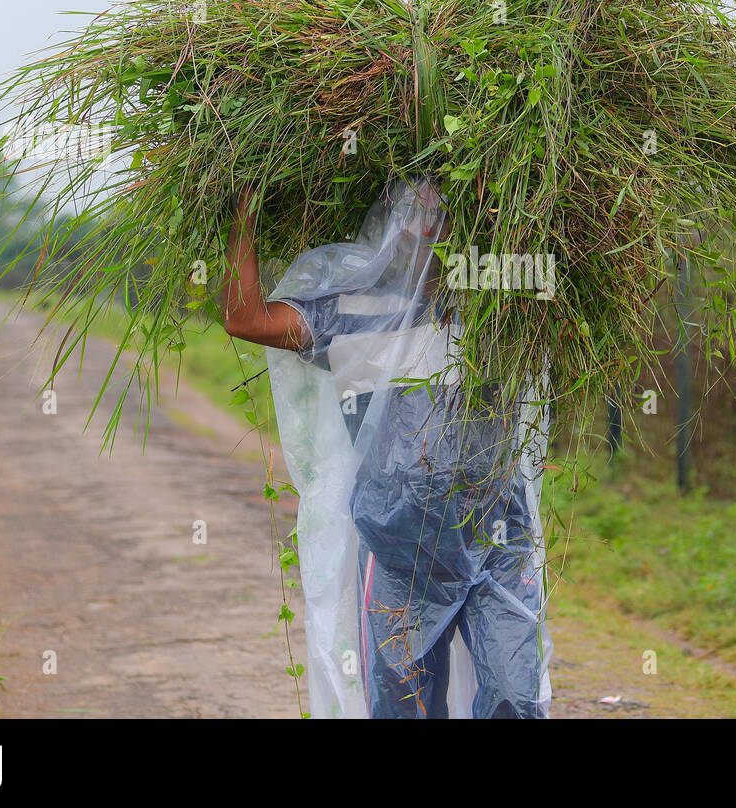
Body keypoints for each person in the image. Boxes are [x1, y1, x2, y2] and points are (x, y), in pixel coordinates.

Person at [223, 176, 552, 719]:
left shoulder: (498, 308)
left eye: (442, 227)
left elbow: (575, 274)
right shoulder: (347, 309)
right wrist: (246, 206)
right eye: (414, 230)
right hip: (400, 546)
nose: (428, 242)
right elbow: (246, 318)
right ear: (387, 238)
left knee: (516, 698)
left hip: (498, 536)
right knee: (407, 706)